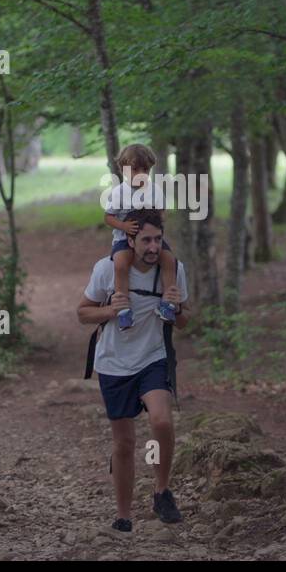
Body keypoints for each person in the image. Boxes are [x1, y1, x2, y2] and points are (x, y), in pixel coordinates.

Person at [77, 209, 190, 533]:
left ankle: (161, 490)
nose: (153, 247)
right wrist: (111, 309)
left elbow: (183, 322)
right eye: (146, 240)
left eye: (158, 239)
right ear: (129, 240)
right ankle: (124, 515)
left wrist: (177, 308)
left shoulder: (173, 270)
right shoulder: (106, 270)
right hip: (113, 362)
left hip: (152, 358)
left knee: (162, 419)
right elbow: (82, 313)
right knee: (124, 443)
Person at [103, 143, 178, 330]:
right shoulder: (119, 192)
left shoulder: (155, 191)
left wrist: (157, 224)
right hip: (124, 239)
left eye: (145, 169)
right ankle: (123, 309)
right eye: (134, 170)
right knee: (121, 263)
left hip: (150, 239)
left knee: (169, 259)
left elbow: (162, 212)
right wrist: (123, 226)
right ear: (123, 170)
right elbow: (108, 217)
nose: (140, 174)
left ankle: (168, 303)